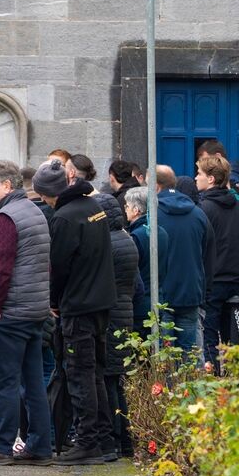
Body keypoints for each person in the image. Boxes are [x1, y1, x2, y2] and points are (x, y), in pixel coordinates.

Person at [0, 160, 52, 465]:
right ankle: (41, 445)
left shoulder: (5, 217)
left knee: (5, 383)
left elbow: (2, 267)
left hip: (12, 312)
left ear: (7, 185)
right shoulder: (33, 210)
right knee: (33, 384)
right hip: (34, 309)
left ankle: (1, 445)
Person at [35, 159, 116, 465]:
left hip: (79, 305)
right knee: (95, 371)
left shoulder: (64, 218)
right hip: (100, 300)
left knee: (80, 374)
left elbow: (58, 269)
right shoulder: (92, 207)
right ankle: (105, 439)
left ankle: (87, 441)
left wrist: (54, 302)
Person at [195, 155, 239, 369]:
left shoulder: (203, 209)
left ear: (210, 179)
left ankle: (215, 383)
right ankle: (234, 380)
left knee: (209, 336)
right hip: (234, 278)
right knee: (233, 340)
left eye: (200, 174)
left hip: (214, 280)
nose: (196, 178)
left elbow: (200, 247)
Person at [154, 165, 212, 352]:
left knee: (165, 355)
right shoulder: (198, 213)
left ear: (155, 186)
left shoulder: (153, 215)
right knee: (190, 353)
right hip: (191, 292)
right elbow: (208, 253)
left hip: (162, 294)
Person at [99, 193, 139, 459]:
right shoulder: (127, 239)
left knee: (110, 380)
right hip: (125, 312)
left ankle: (115, 439)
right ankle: (126, 439)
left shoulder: (108, 244)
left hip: (111, 314)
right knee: (120, 379)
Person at [124, 187, 168, 336]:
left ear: (136, 210)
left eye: (127, 206)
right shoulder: (161, 232)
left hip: (140, 304)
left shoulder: (136, 236)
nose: (125, 209)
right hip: (157, 299)